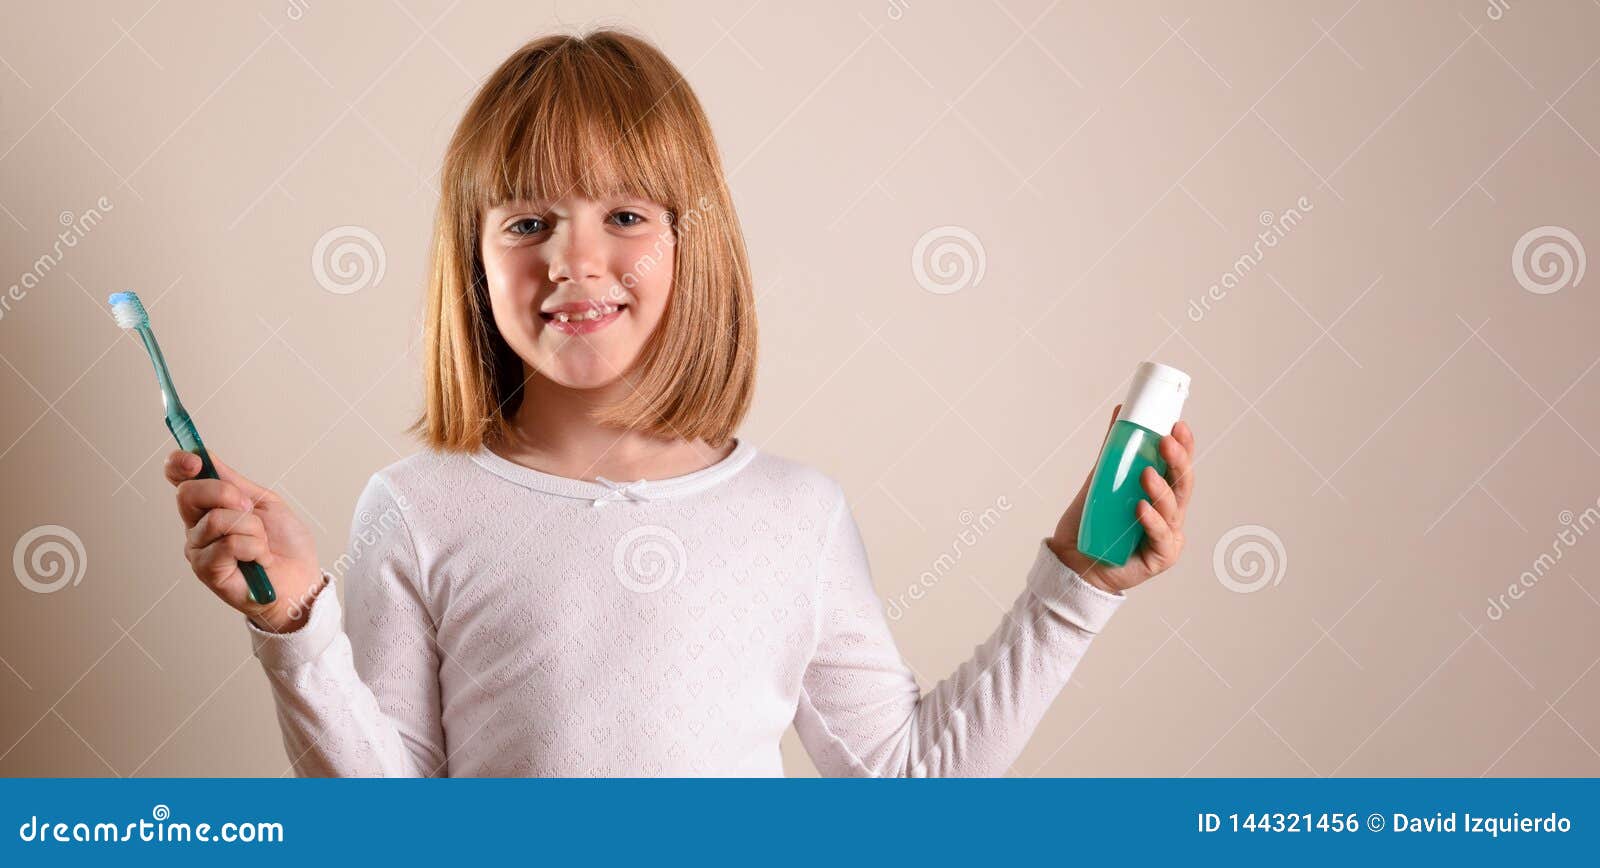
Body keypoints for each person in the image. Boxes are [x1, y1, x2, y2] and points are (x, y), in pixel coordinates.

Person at [164, 27, 1197, 777]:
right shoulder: (416, 508)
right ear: (473, 266)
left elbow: (905, 787)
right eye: (526, 221)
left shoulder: (797, 515)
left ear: (688, 245)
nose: (575, 259)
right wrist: (296, 625)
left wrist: (1077, 588)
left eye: (623, 213)